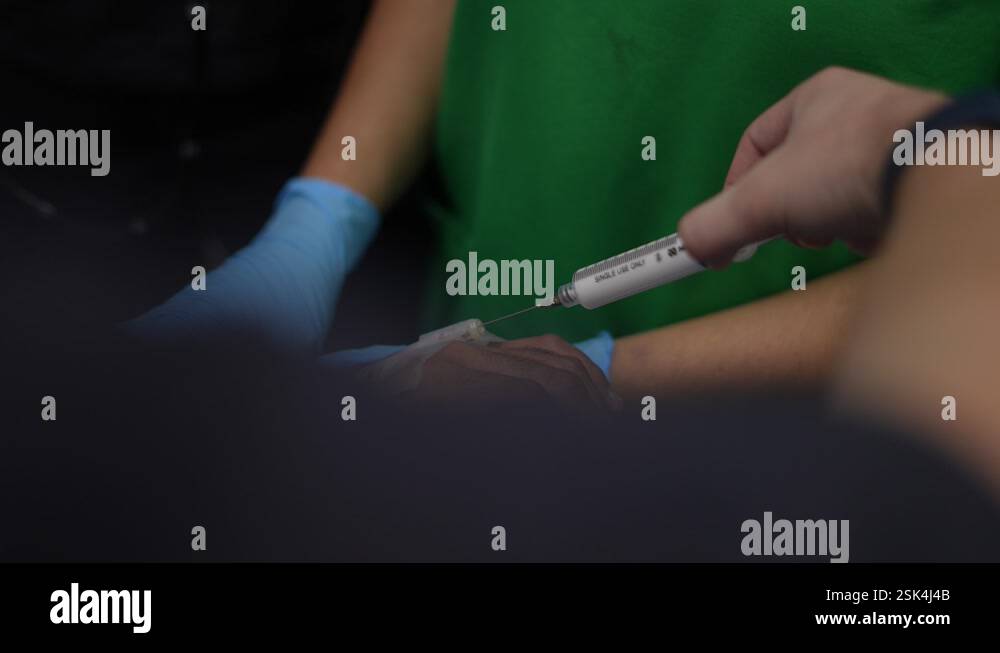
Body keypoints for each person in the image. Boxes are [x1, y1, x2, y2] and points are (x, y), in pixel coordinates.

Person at [131, 1, 1000, 409]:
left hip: (820, 448)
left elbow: (977, 257)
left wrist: (611, 375)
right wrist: (316, 221)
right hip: (476, 383)